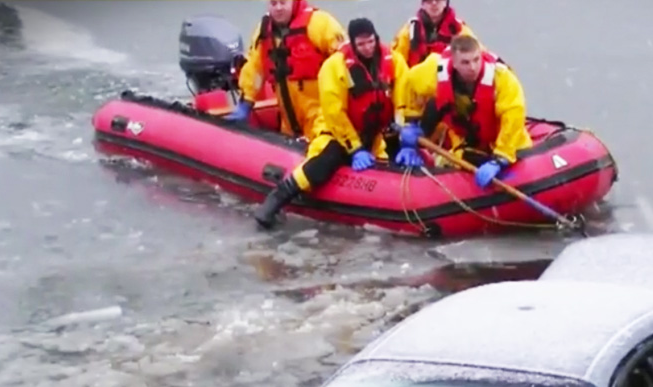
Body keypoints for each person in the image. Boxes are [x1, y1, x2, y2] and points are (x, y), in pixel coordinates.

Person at [254, 18, 419, 229]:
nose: (368, 48)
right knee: (325, 162)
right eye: (361, 44)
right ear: (352, 43)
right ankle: (276, 199)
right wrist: (355, 147)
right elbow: (335, 113)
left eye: (371, 42)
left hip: (373, 134)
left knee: (389, 163)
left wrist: (405, 136)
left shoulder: (394, 61)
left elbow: (403, 101)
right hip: (337, 132)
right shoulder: (334, 67)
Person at [395, 34, 531, 189]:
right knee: (436, 103)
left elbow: (513, 118)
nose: (472, 67)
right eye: (465, 62)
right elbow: (409, 83)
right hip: (468, 143)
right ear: (454, 63)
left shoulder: (502, 79)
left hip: (508, 145)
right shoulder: (434, 70)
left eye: (476, 60)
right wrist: (411, 122)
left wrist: (500, 158)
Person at [227, 0, 346, 140]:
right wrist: (246, 102)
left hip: (321, 116)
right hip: (288, 122)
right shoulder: (264, 32)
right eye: (273, 3)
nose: (278, 8)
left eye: (283, 3)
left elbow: (345, 61)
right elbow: (255, 70)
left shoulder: (320, 23)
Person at [390, 0, 478, 68]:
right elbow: (396, 63)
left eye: (438, 0)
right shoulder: (410, 31)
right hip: (417, 86)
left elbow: (479, 55)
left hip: (450, 86)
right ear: (423, 4)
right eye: (429, 0)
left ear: (445, 2)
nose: (434, 3)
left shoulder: (460, 30)